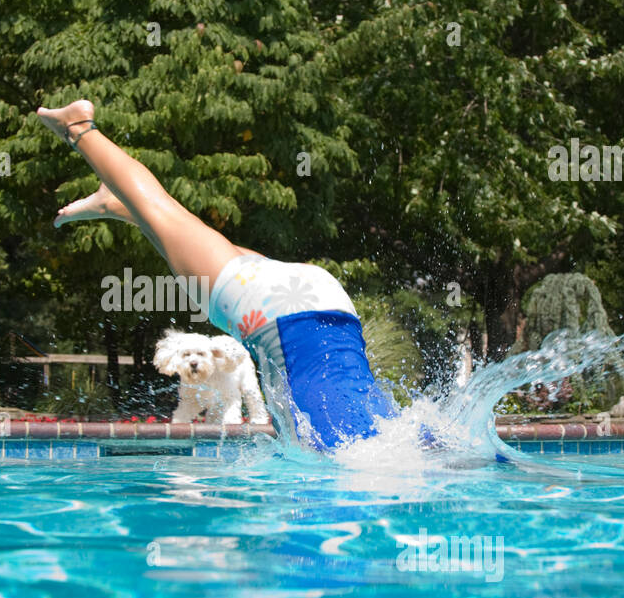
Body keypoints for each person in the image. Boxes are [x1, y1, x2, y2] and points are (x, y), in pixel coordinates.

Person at [38, 99, 399, 450]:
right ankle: (79, 127)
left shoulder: (402, 439)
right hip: (277, 317)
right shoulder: (348, 455)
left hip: (331, 305)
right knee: (166, 218)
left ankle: (122, 204)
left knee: (187, 236)